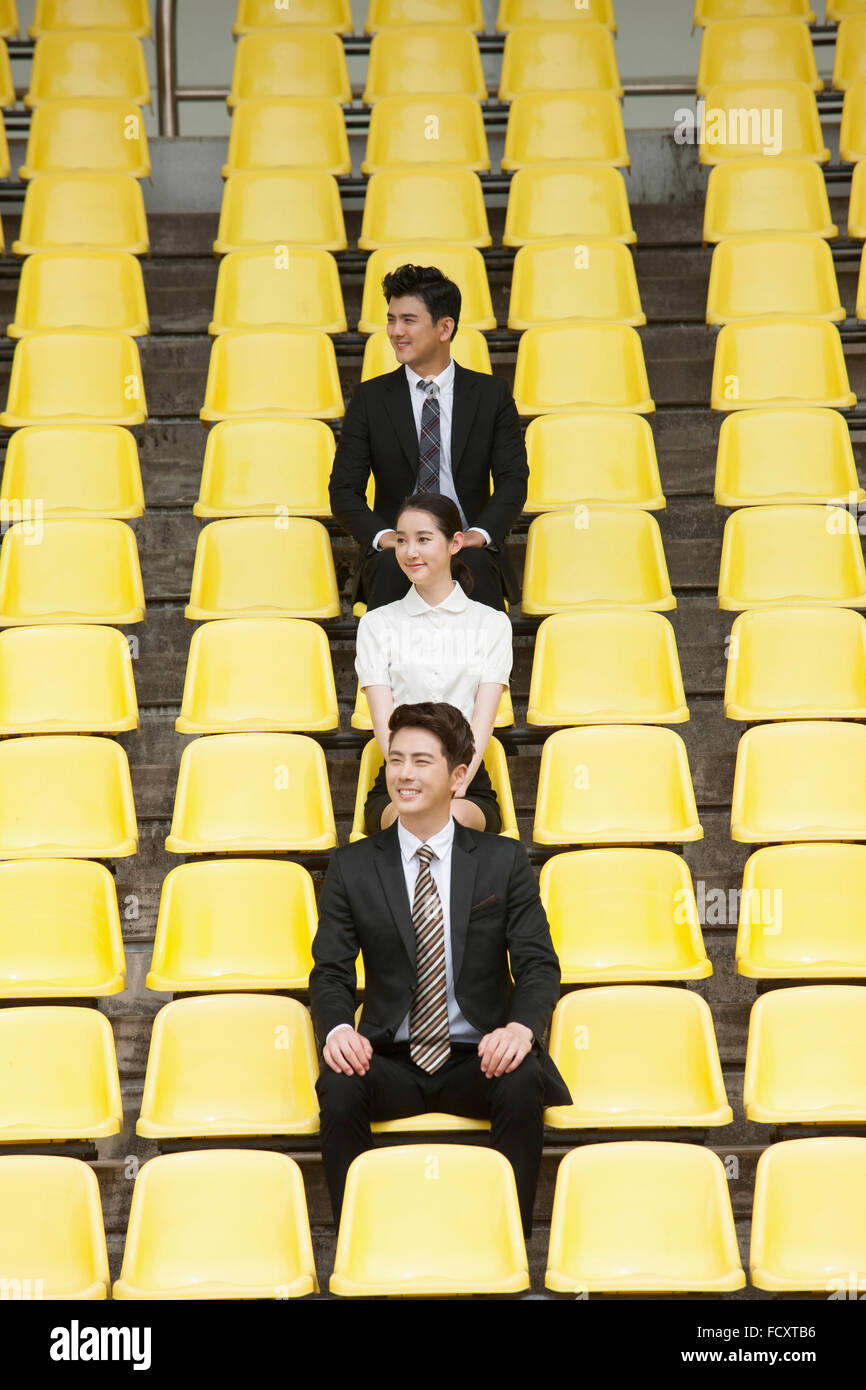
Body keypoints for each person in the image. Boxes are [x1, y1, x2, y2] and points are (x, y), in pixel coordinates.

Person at [310, 701, 571, 1238]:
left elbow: (538, 965)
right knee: (337, 1086)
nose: (404, 774)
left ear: (457, 776)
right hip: (389, 1056)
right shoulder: (353, 865)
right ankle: (361, 1240)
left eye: (422, 761)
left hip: (479, 1056)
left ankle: (508, 1242)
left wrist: (520, 1029)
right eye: (396, 760)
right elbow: (330, 970)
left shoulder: (502, 860)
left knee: (523, 1081)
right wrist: (338, 1028)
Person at [329, 262, 528, 612]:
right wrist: (387, 538)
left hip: (466, 543)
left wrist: (478, 535)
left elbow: (513, 481)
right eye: (391, 320)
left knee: (476, 568)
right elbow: (344, 490)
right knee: (394, 568)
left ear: (445, 327)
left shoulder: (491, 395)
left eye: (408, 320)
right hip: (397, 551)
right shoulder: (370, 399)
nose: (395, 332)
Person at [356, 491, 512, 836]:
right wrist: (409, 777)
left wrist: (454, 784)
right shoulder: (376, 624)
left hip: (465, 777)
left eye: (423, 539)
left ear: (455, 543)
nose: (410, 552)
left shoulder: (492, 623)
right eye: (401, 540)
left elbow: (482, 723)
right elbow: (385, 727)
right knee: (413, 820)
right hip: (400, 777)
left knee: (447, 820)